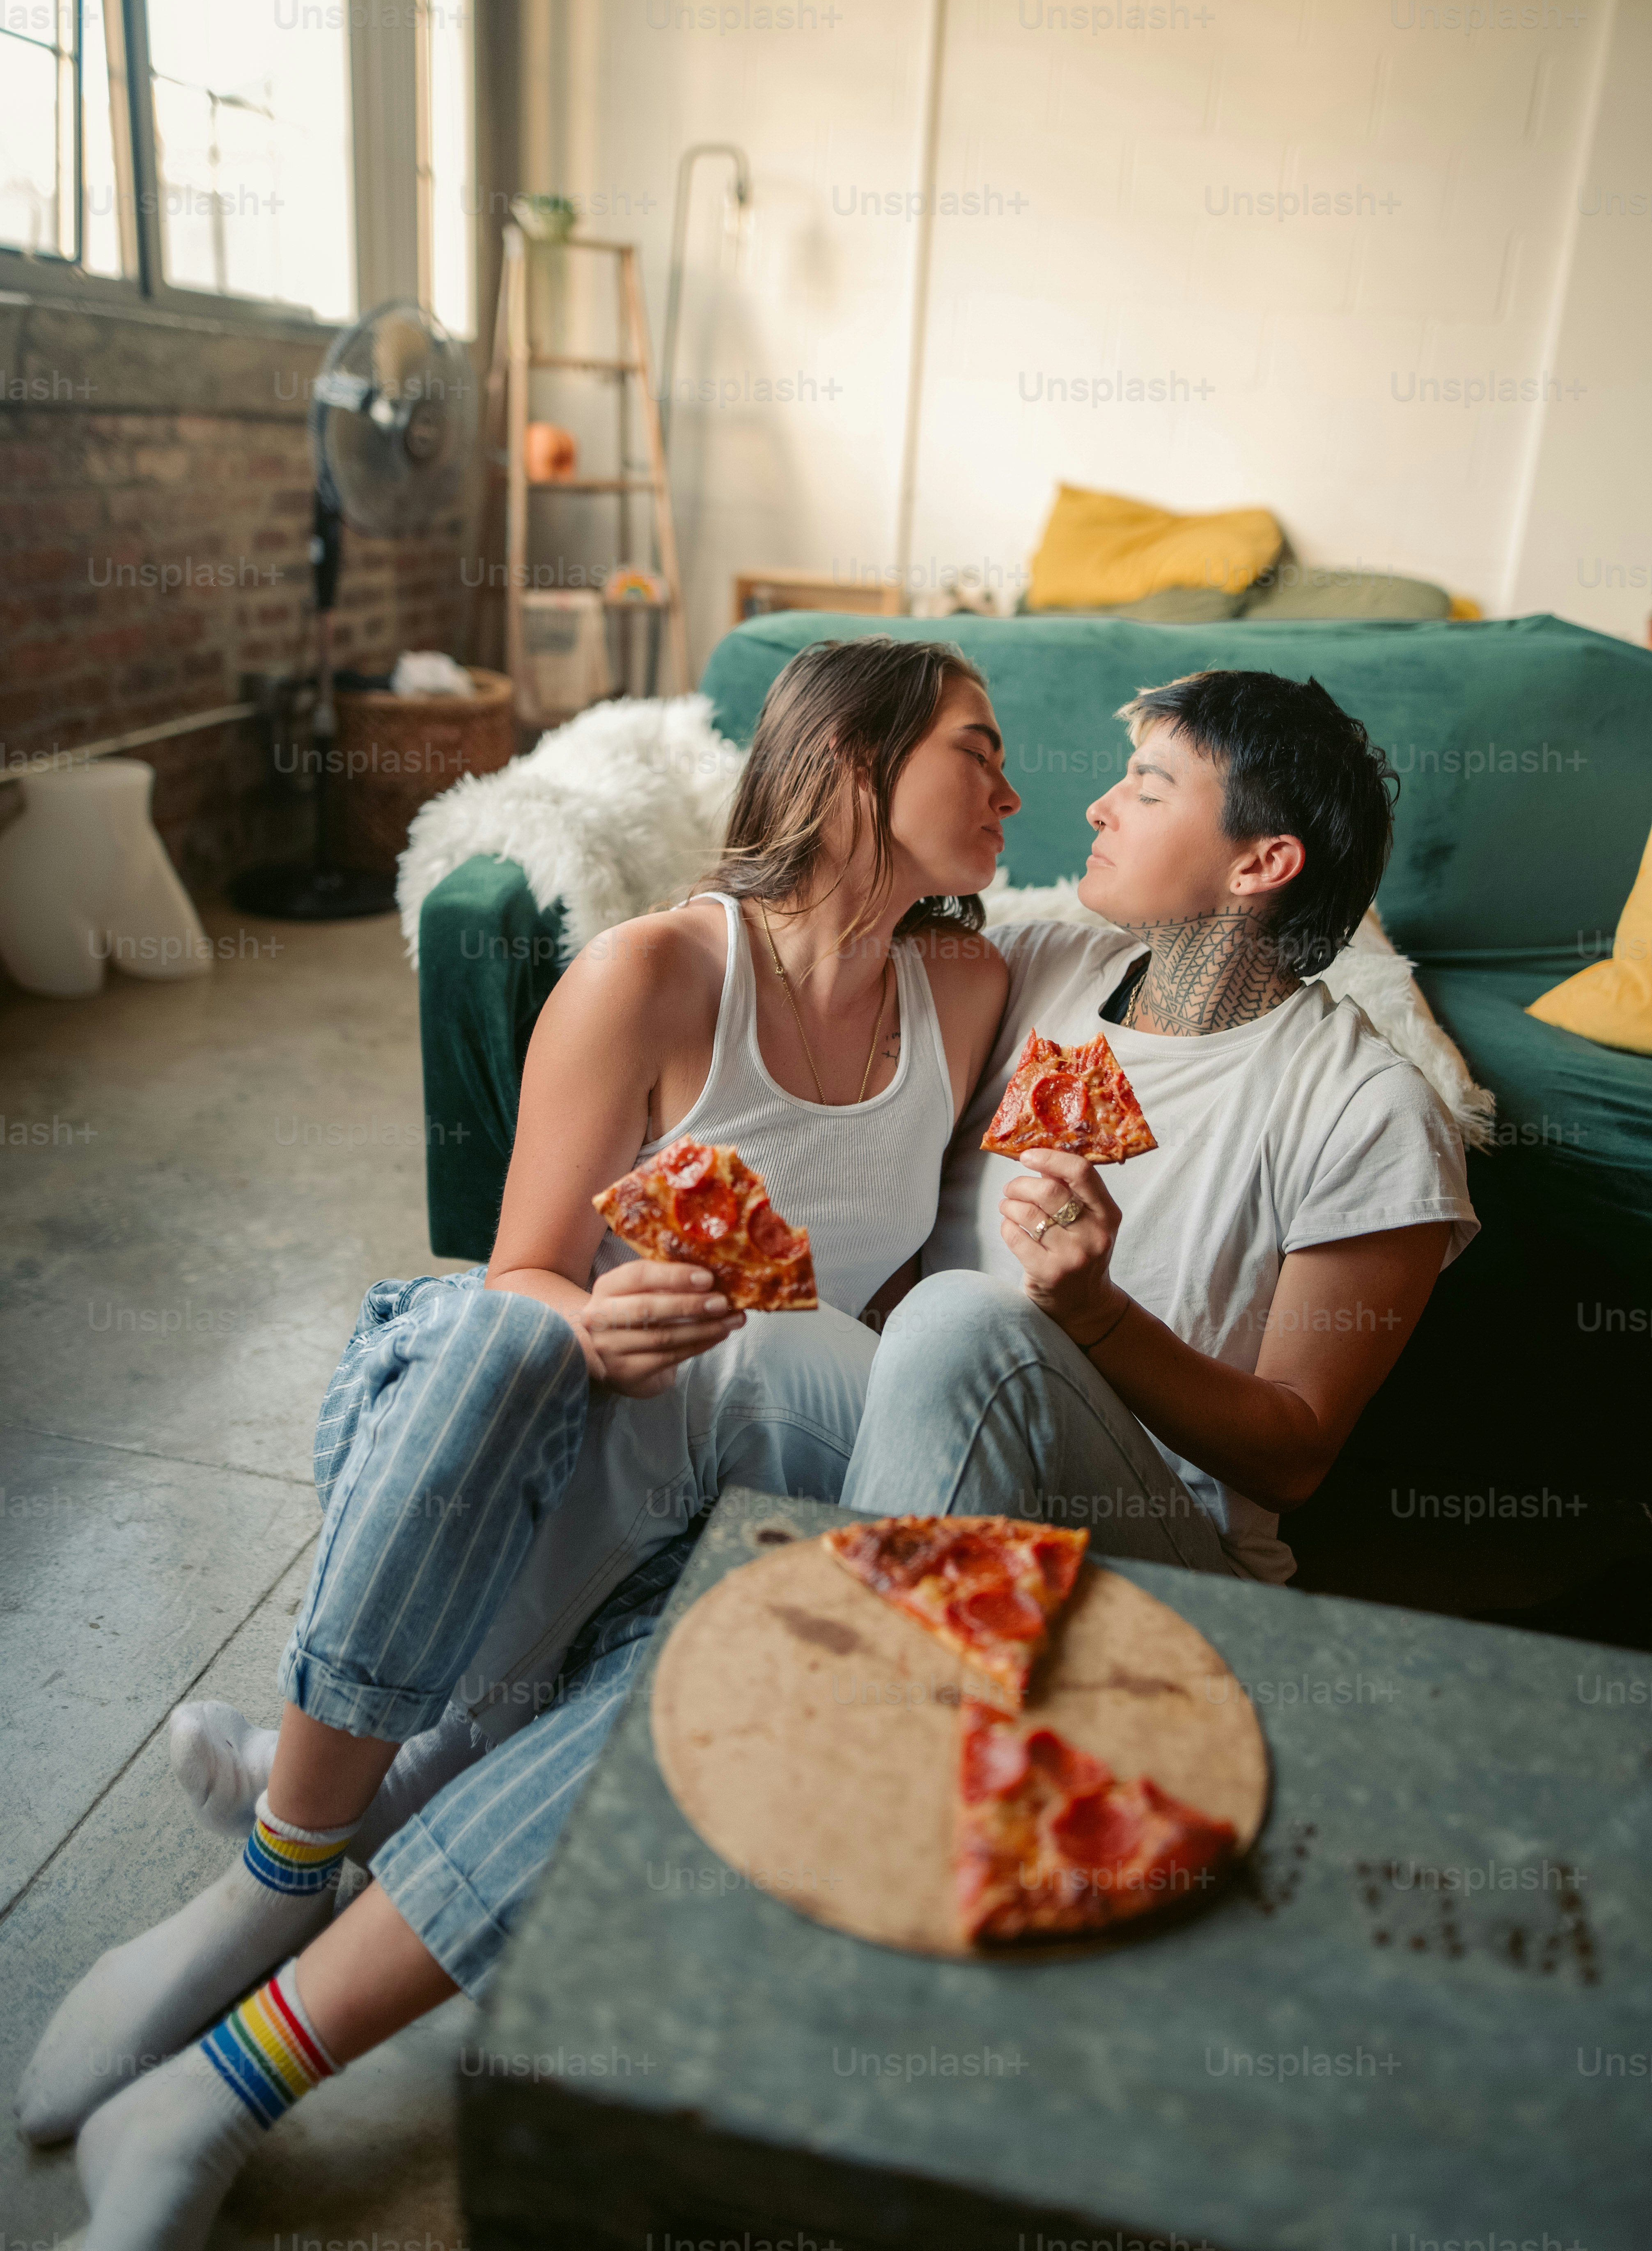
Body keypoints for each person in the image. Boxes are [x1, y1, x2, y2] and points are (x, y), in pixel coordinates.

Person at [16, 637, 1017, 2249]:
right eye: (980, 747)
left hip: (761, 1484)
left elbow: (883, 1287)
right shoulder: (649, 974)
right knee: (497, 1331)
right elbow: (528, 1269)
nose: (1011, 786)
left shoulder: (968, 989)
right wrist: (596, 1325)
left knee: (750, 1601)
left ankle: (252, 1999)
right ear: (851, 768)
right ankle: (274, 1886)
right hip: (588, 1444)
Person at [842, 666, 1478, 1573]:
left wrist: (1095, 1313)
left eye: (1146, 788)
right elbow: (823, 949)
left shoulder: (1369, 1111)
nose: (1100, 809)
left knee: (960, 1318)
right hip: (911, 1453)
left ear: (1259, 863)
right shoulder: (1022, 971)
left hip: (1161, 1550)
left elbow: (1294, 1453)